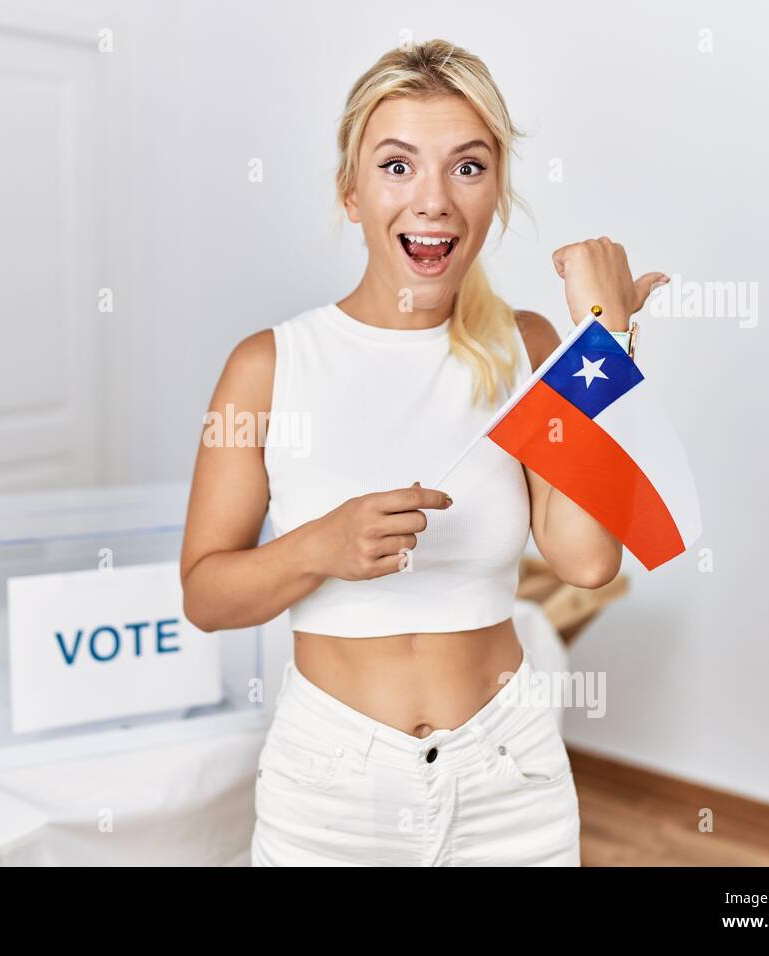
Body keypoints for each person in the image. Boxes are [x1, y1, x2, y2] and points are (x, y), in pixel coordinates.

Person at [180, 38, 668, 866]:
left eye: (468, 167)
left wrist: (607, 342)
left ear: (497, 190)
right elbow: (205, 595)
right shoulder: (267, 366)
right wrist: (318, 547)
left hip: (511, 774)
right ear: (351, 192)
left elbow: (588, 560)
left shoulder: (530, 345)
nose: (434, 200)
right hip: (329, 789)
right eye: (398, 166)